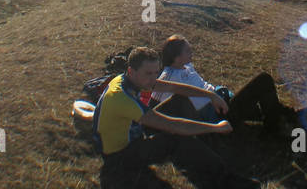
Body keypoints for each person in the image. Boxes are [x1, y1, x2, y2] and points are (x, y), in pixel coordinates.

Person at [97, 46, 232, 162]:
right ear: (132, 71)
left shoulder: (127, 79)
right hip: (121, 155)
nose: (153, 78)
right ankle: (229, 181)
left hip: (133, 128)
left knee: (180, 100)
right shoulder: (123, 98)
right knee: (177, 139)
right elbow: (173, 125)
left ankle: (207, 142)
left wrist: (211, 95)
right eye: (149, 73)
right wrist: (215, 127)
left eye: (156, 73)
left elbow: (175, 88)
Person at [154, 35, 228, 118]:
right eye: (187, 51)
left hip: (217, 96)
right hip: (207, 111)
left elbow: (202, 83)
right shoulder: (169, 76)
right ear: (177, 58)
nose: (191, 52)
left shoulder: (188, 66)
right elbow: (156, 102)